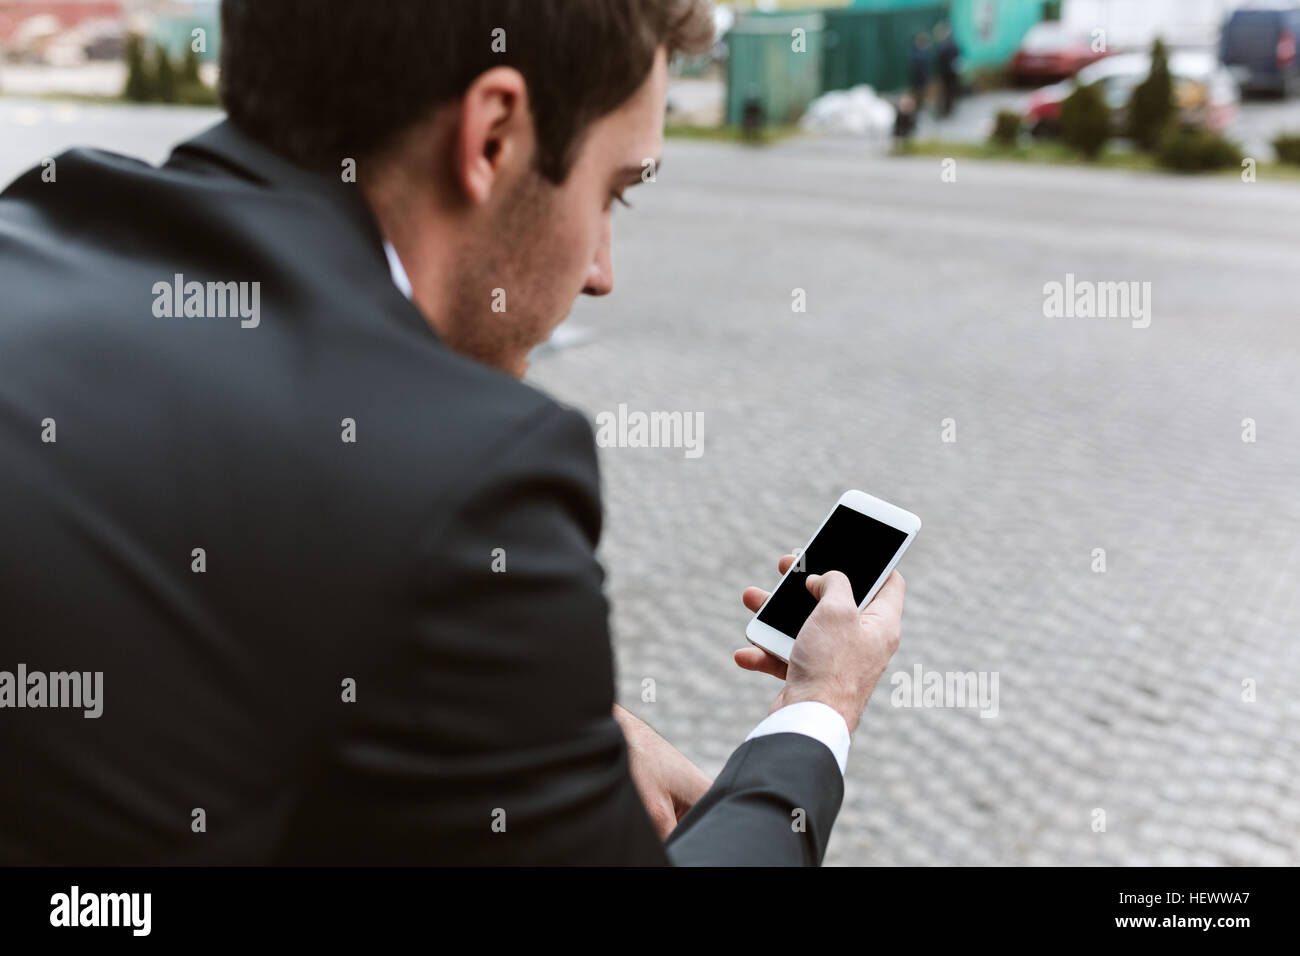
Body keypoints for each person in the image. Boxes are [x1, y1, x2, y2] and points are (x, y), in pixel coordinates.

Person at [0, 0, 906, 865]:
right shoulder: (465, 480)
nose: (602, 273)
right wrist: (818, 708)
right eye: (613, 193)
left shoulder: (37, 225)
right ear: (493, 137)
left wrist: (533, 731)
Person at [934, 21, 962, 119]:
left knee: (949, 91)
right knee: (947, 91)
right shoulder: (947, 42)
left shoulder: (949, 43)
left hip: (949, 72)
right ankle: (946, 109)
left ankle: (947, 109)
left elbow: (949, 56)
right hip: (946, 72)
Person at [909, 32, 932, 109]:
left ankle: (920, 104)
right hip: (916, 77)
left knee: (922, 92)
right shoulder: (915, 52)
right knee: (916, 92)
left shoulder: (924, 52)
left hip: (923, 77)